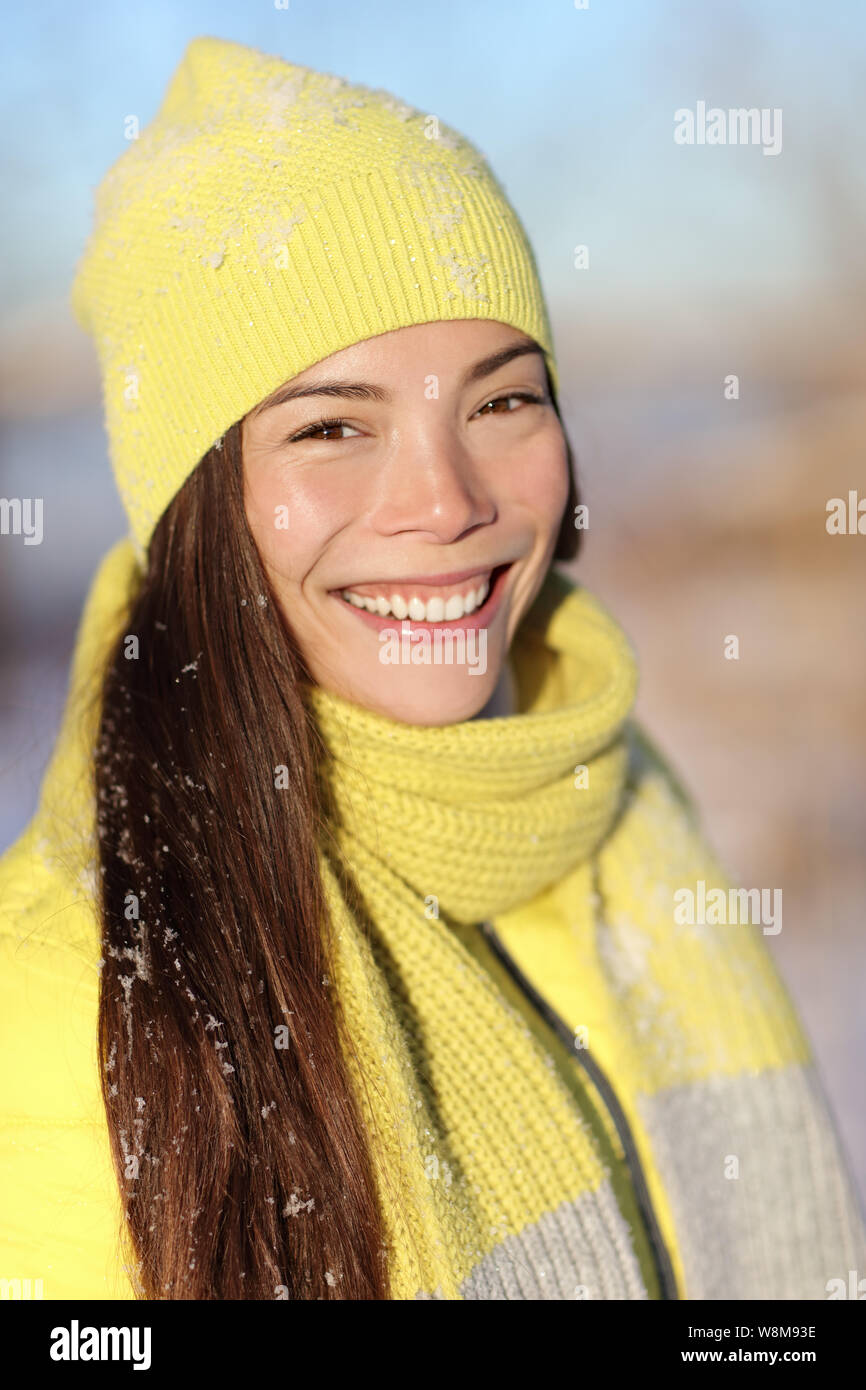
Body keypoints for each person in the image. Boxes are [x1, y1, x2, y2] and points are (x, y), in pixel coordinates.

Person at [0, 34, 863, 1302]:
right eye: (333, 426)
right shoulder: (67, 996)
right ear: (191, 506)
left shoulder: (617, 805)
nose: (445, 501)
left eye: (502, 401)